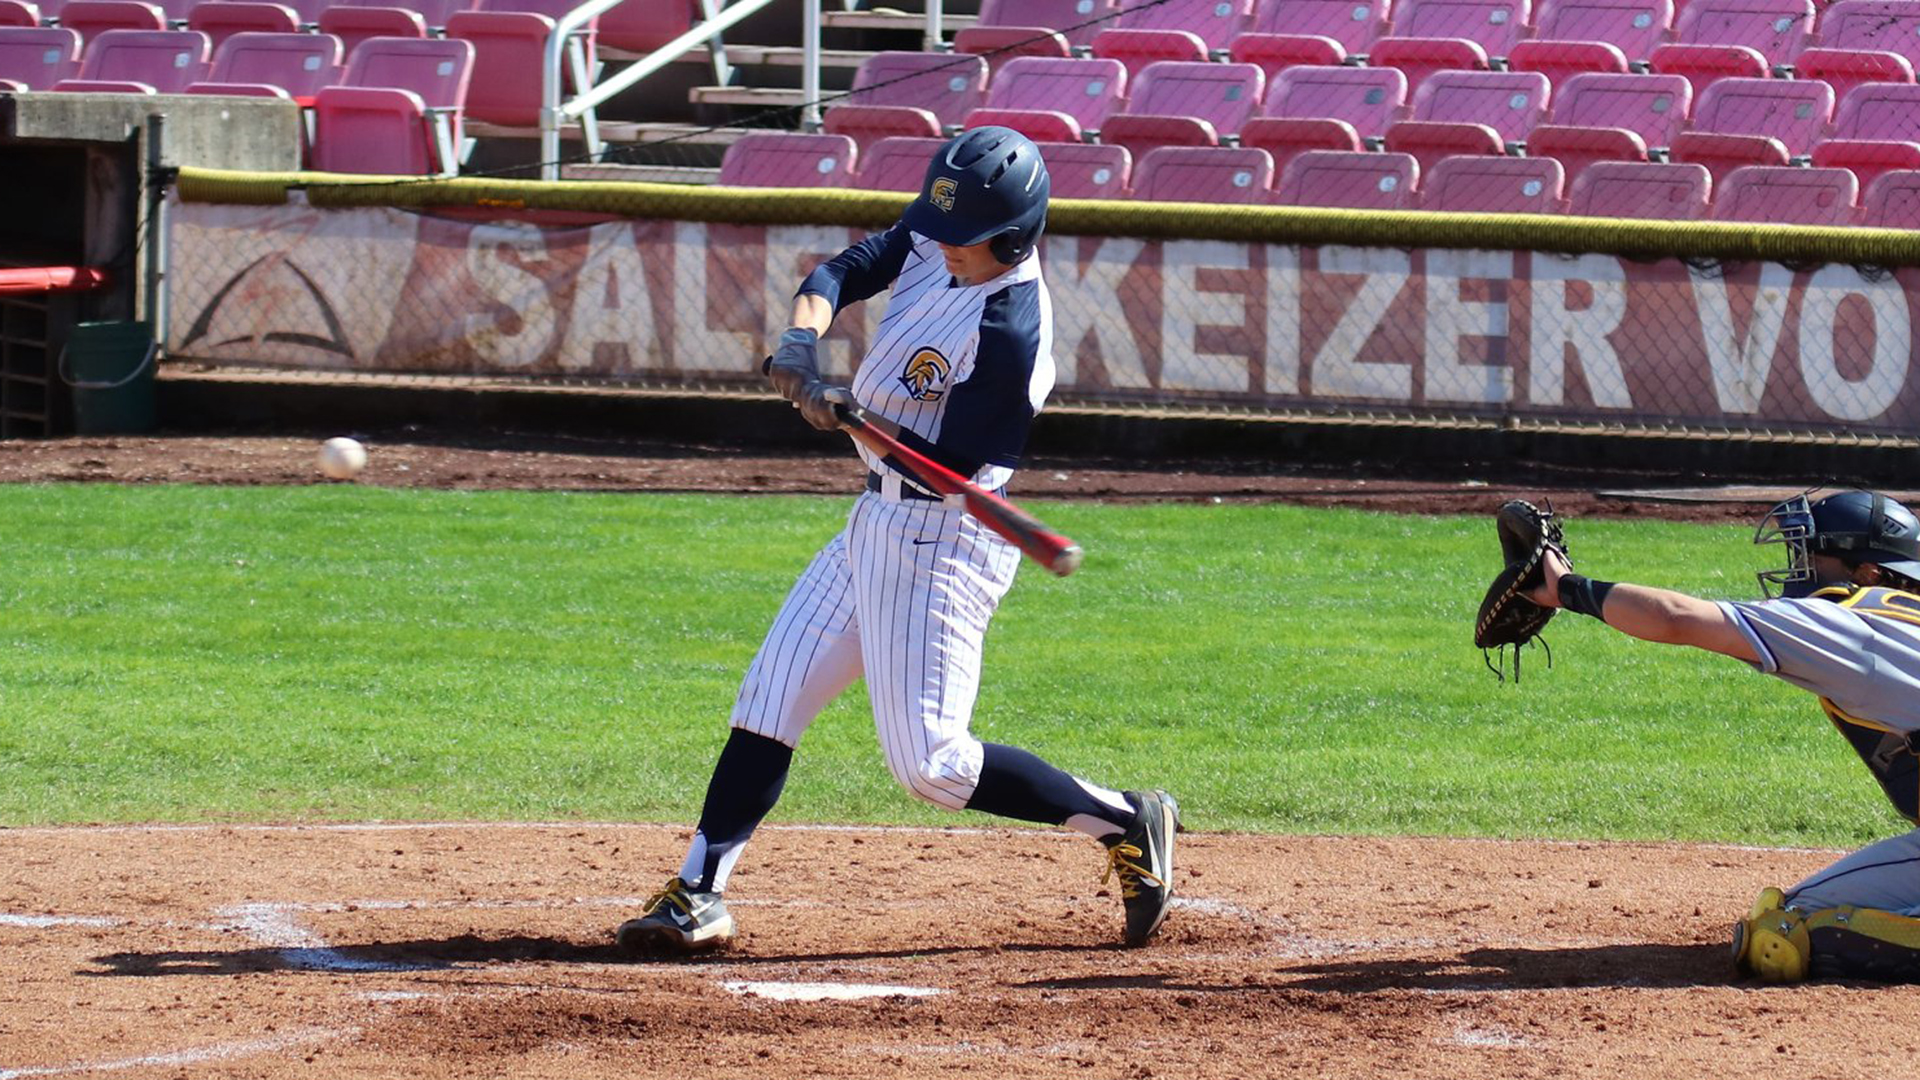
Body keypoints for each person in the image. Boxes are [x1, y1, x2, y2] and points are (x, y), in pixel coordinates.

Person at [614, 127, 1180, 955]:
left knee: (933, 767)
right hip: (876, 521)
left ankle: (1127, 818)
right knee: (770, 699)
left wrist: (854, 419)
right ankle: (698, 892)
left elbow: (945, 472)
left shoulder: (1009, 335)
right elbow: (839, 273)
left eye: (962, 241)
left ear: (1012, 240)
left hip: (941, 541)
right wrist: (802, 344)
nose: (939, 246)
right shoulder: (937, 237)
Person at [1524, 488, 1920, 982]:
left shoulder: (1850, 623)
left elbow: (1677, 617)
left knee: (1786, 934)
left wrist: (1567, 588)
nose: (1795, 568)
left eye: (1808, 555)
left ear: (1867, 572)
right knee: (1789, 919)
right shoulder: (1900, 617)